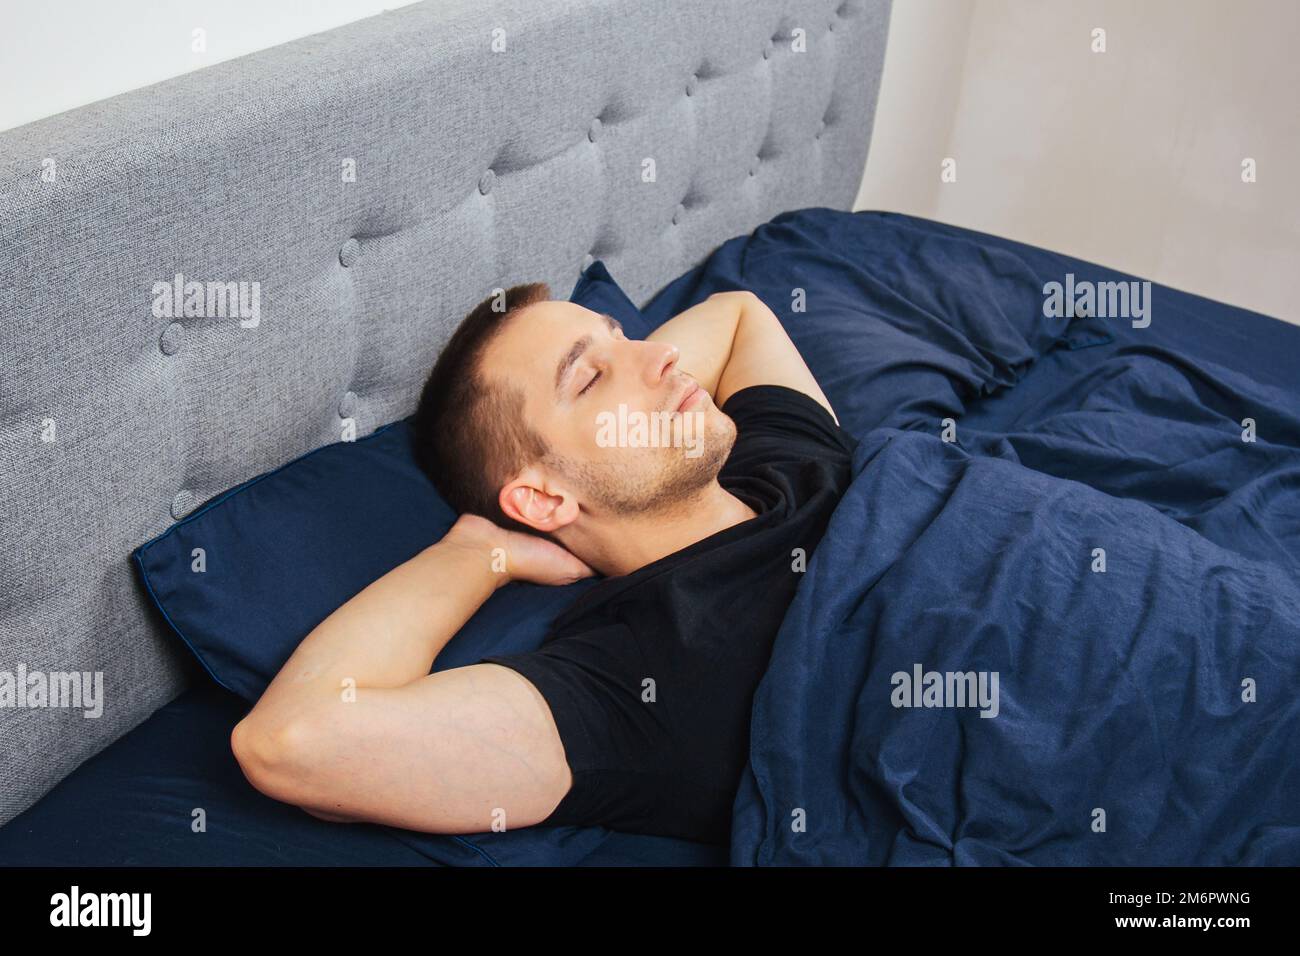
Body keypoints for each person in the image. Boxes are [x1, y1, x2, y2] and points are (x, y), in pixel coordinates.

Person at [231, 282, 858, 845]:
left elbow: (738, 312)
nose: (663, 356)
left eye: (625, 335)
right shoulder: (633, 682)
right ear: (542, 498)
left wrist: (624, 380)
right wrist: (476, 556)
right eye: (588, 379)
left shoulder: (785, 461)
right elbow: (288, 742)